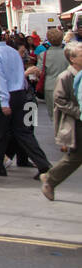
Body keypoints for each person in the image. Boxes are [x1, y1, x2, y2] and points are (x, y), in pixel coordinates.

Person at [0, 24, 52, 177]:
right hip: (19, 93)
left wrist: (3, 101)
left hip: (2, 94)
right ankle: (43, 164)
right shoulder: (13, 52)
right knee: (22, 131)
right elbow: (20, 74)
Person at [42, 42, 82, 201]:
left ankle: (50, 179)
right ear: (72, 59)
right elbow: (59, 100)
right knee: (75, 157)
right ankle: (50, 179)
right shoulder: (66, 76)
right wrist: (78, 112)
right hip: (76, 122)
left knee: (76, 157)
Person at [41, 28, 69, 119]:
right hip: (67, 85)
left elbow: (39, 71)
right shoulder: (67, 53)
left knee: (53, 115)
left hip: (50, 86)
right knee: (67, 113)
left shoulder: (43, 55)